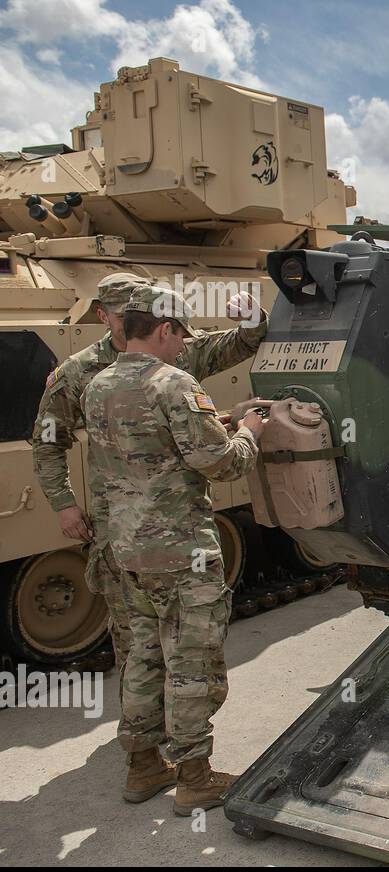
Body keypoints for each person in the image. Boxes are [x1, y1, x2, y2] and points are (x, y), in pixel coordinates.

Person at [82, 286, 266, 813]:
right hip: (181, 551)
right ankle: (194, 778)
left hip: (126, 549)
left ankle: (143, 767)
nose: (185, 344)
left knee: (143, 657)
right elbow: (221, 463)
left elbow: (148, 446)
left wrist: (218, 422)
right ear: (165, 329)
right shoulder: (174, 383)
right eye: (182, 334)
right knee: (191, 664)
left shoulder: (98, 385)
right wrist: (249, 432)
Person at [30, 273, 271, 671]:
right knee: (137, 645)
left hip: (173, 526)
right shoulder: (77, 372)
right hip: (118, 531)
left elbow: (240, 343)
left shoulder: (176, 350)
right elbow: (48, 441)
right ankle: (161, 710)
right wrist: (64, 504)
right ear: (103, 315)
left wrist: (252, 318)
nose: (131, 319)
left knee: (184, 646)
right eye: (122, 314)